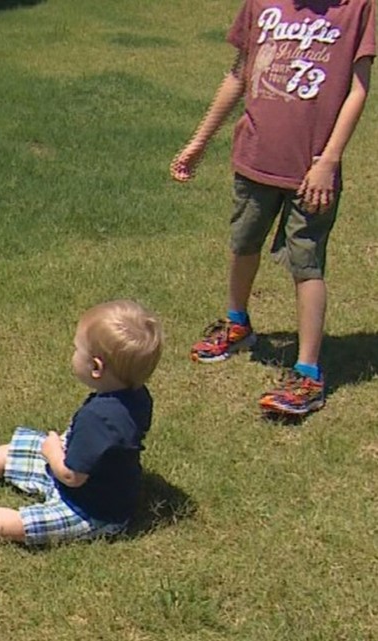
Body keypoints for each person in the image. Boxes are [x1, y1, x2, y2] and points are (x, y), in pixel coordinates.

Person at [171, 0, 375, 416]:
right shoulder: (263, 3)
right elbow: (238, 75)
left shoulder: (358, 8)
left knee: (307, 263)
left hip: (312, 172)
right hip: (255, 157)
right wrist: (199, 140)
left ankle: (308, 373)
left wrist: (329, 160)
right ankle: (237, 324)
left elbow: (358, 89)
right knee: (242, 242)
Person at [0, 300, 163, 545]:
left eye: (77, 349)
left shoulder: (99, 418)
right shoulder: (137, 396)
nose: (73, 353)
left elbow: (72, 476)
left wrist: (54, 452)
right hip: (87, 478)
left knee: (27, 524)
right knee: (26, 447)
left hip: (91, 508)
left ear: (96, 368)